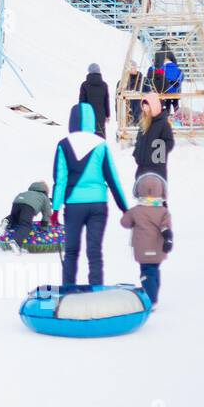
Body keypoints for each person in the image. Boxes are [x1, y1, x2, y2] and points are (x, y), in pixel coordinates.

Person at [51, 103, 130, 288]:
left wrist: (55, 210)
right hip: (98, 205)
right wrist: (124, 208)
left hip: (73, 206)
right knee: (94, 252)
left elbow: (60, 180)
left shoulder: (63, 145)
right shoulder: (101, 145)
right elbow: (113, 179)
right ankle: (97, 293)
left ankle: (68, 293)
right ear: (92, 120)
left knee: (71, 252)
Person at [121, 173, 173, 306]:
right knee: (154, 270)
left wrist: (128, 215)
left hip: (142, 250)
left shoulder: (136, 211)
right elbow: (166, 228)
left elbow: (124, 223)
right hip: (158, 248)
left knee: (146, 273)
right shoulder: (163, 211)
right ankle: (154, 293)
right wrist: (168, 239)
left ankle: (151, 299)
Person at [132, 92, 174, 183]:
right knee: (141, 196)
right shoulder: (143, 122)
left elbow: (169, 142)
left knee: (154, 196)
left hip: (156, 171)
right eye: (143, 105)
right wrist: (136, 153)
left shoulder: (163, 124)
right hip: (141, 169)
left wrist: (157, 155)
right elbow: (139, 140)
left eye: (146, 105)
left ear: (153, 106)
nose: (144, 108)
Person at [4, 180, 55, 252]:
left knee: (15, 218)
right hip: (28, 206)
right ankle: (16, 242)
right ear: (45, 190)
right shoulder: (44, 197)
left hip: (17, 201)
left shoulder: (27, 193)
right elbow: (47, 213)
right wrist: (44, 226)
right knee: (25, 225)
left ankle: (7, 221)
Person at [78, 63, 111, 138]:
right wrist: (107, 115)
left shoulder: (84, 85)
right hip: (101, 115)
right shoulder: (104, 85)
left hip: (88, 115)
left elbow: (82, 102)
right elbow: (106, 101)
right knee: (100, 135)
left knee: (88, 136)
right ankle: (101, 149)